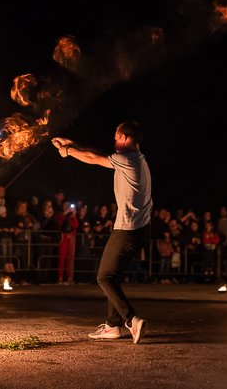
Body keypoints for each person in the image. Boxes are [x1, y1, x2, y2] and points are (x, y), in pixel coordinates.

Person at [52, 120, 151, 344]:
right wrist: (74, 143)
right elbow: (101, 153)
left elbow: (93, 159)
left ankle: (132, 320)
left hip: (127, 230)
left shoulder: (126, 160)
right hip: (141, 229)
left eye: (117, 137)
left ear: (126, 138)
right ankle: (112, 326)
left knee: (104, 277)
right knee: (112, 277)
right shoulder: (137, 159)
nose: (114, 141)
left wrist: (68, 151)